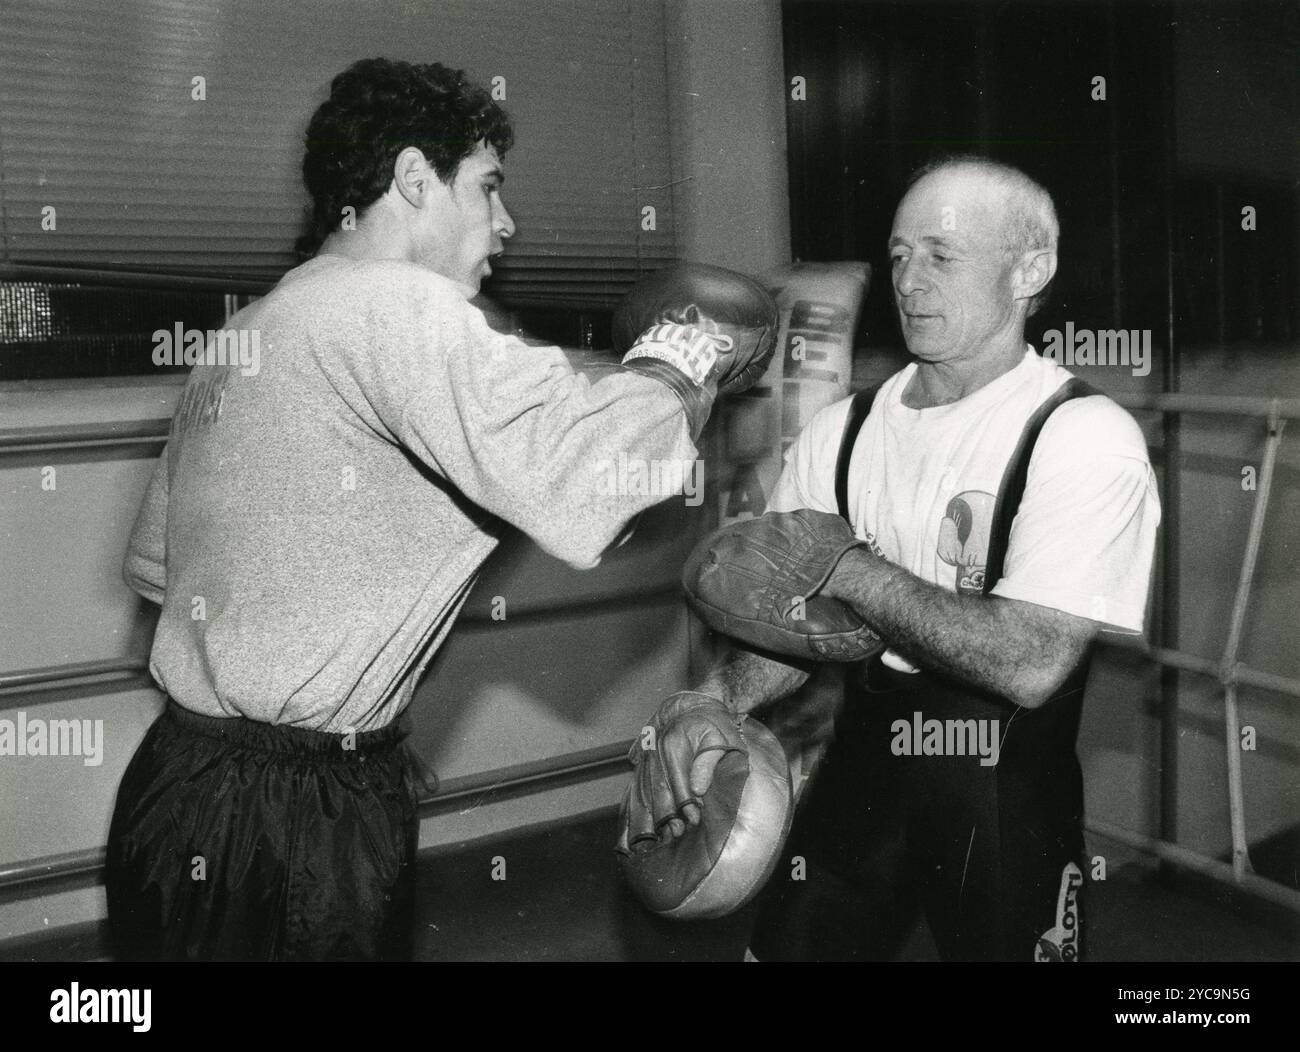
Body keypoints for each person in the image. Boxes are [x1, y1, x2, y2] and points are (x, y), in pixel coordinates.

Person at [107, 57, 773, 961]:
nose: (508, 224)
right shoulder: (401, 308)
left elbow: (156, 565)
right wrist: (681, 360)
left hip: (177, 789)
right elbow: (585, 483)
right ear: (415, 178)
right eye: (488, 187)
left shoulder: (252, 329)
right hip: (291, 827)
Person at [633, 156, 1161, 961]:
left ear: (1031, 270)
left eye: (942, 255)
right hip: (865, 767)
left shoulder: (1083, 437)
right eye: (900, 255)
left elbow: (1030, 662)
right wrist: (716, 700)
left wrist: (848, 568)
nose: (910, 281)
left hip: (1002, 786)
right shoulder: (842, 429)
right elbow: (788, 628)